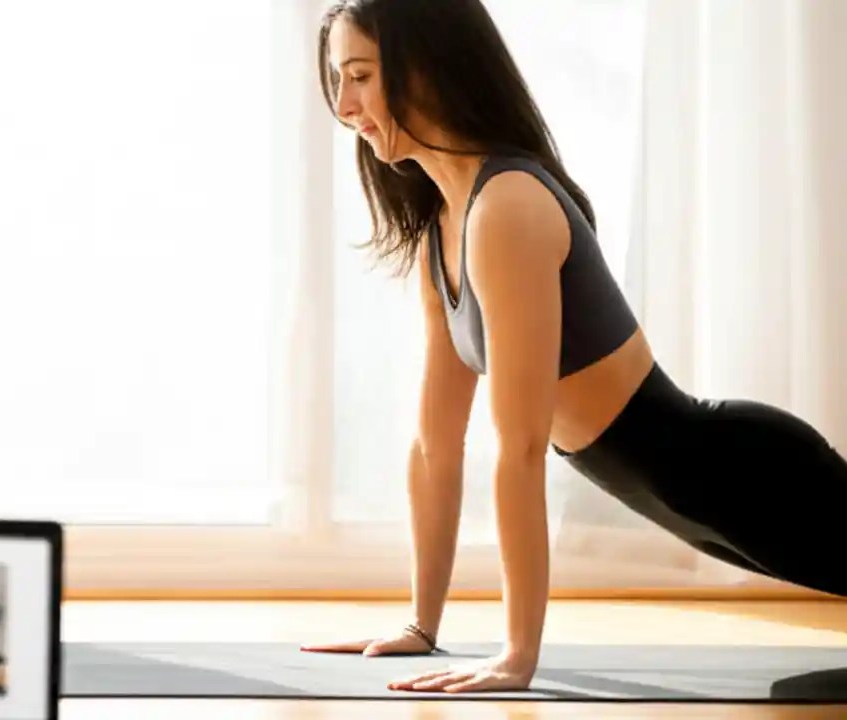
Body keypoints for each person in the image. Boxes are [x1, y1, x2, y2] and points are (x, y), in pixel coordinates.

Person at [300, 0, 847, 695]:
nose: (343, 103)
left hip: (745, 481)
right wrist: (420, 627)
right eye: (337, 79)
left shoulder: (509, 207)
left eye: (361, 75)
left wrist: (516, 658)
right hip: (689, 510)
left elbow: (521, 448)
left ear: (429, 67)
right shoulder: (444, 226)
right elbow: (435, 448)